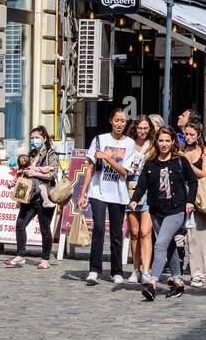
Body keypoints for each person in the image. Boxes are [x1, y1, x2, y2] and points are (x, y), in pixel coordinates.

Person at [130, 127, 197, 301]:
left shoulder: (180, 161)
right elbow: (142, 184)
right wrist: (135, 199)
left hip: (177, 210)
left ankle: (152, 283)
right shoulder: (151, 162)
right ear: (156, 142)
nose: (164, 144)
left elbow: (193, 181)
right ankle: (178, 281)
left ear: (173, 141)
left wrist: (190, 201)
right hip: (157, 210)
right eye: (161, 141)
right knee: (169, 246)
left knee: (160, 244)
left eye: (168, 140)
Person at [77, 109, 137, 285]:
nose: (120, 124)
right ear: (111, 121)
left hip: (118, 193)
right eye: (117, 120)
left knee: (117, 234)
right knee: (99, 230)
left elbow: (124, 172)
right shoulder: (99, 140)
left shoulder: (129, 144)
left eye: (123, 121)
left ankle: (117, 271)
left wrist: (107, 157)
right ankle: (94, 269)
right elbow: (90, 168)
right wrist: (82, 194)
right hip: (98, 191)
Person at [6, 125, 60, 268]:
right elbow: (23, 170)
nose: (34, 140)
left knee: (45, 229)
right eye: (32, 138)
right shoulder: (30, 155)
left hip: (44, 196)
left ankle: (45, 260)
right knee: (20, 224)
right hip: (29, 196)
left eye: (37, 138)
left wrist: (35, 173)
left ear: (45, 138)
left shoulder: (51, 154)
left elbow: (52, 174)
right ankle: (20, 255)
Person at [125, 115, 158, 285]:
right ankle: (135, 269)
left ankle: (146, 270)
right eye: (140, 128)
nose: (143, 131)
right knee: (135, 233)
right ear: (135, 129)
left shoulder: (152, 146)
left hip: (148, 190)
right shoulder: (128, 144)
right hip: (129, 188)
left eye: (146, 128)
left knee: (146, 232)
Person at [182, 120, 206, 288]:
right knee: (179, 236)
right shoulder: (180, 150)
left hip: (199, 197)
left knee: (198, 237)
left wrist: (186, 164)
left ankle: (198, 273)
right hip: (180, 195)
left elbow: (204, 173)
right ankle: (176, 270)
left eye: (191, 134)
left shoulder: (205, 150)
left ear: (199, 135)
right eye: (186, 134)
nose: (188, 137)